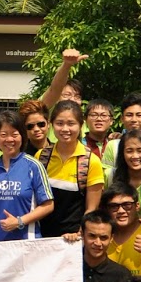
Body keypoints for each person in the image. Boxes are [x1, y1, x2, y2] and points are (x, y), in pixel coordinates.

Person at [39, 99, 105, 239]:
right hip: (41, 237)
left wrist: (79, 233)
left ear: (81, 126)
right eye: (59, 123)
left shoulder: (91, 161)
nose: (65, 129)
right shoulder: (41, 156)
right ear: (51, 125)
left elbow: (91, 208)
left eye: (71, 124)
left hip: (72, 239)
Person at [0, 111, 53, 241]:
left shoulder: (34, 166)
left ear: (22, 136)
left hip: (27, 243)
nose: (9, 139)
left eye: (15, 134)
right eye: (3, 135)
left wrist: (20, 221)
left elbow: (48, 205)